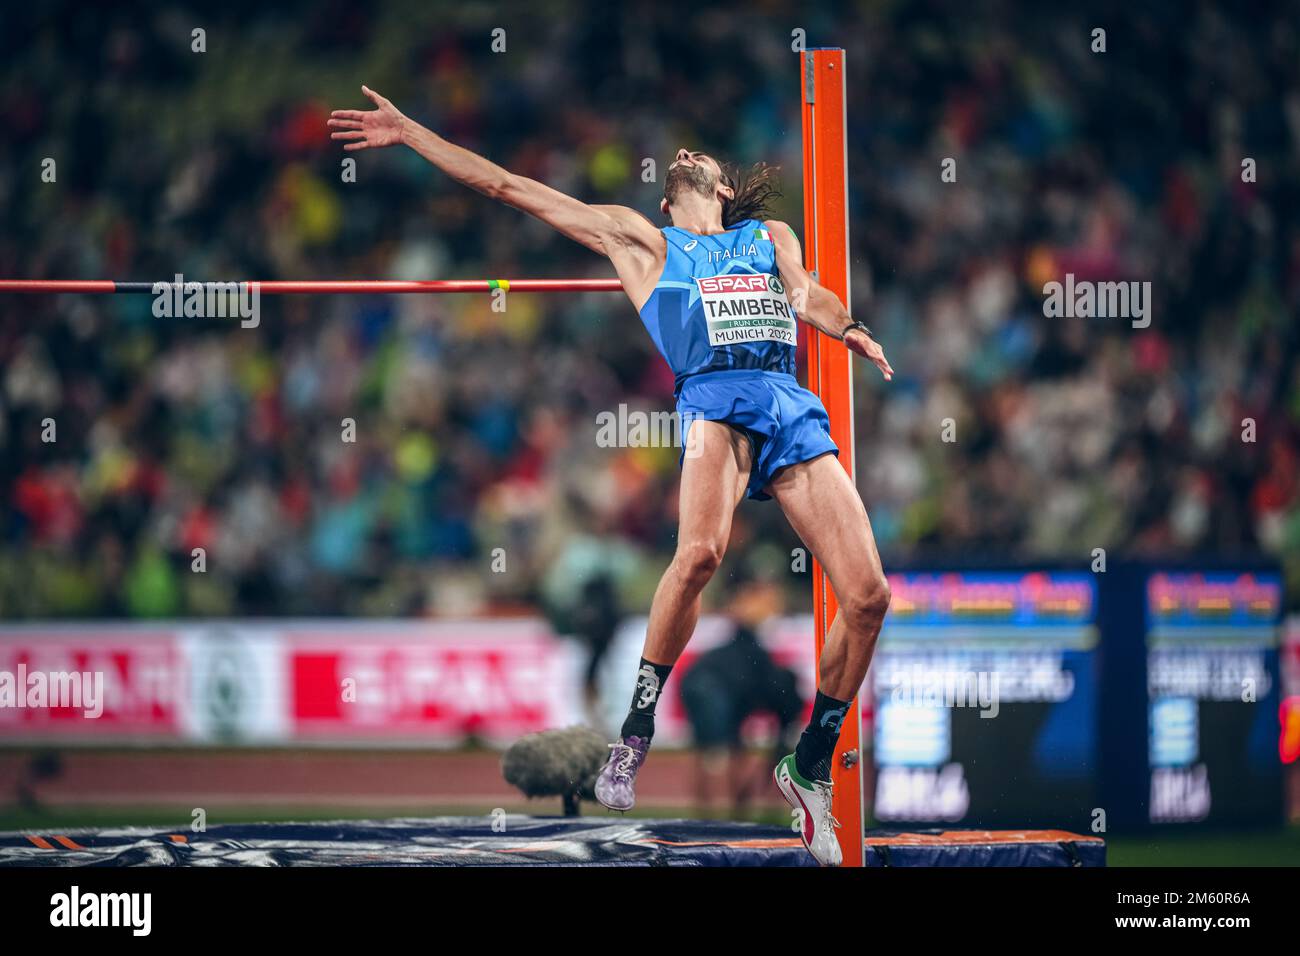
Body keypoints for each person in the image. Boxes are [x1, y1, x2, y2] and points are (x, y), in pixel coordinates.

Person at [329, 86, 894, 865]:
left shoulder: (768, 234)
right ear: (668, 199)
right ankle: (635, 733)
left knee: (869, 595)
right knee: (699, 554)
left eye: (704, 156)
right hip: (713, 404)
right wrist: (412, 133)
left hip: (787, 401)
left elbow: (806, 294)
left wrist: (850, 327)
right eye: (681, 161)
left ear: (723, 188)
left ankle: (809, 767)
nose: (691, 154)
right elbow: (508, 187)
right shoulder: (643, 241)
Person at [678, 564, 802, 814]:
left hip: (706, 681)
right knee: (717, 753)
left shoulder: (747, 645)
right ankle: (721, 812)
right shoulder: (748, 625)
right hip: (712, 686)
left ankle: (713, 814)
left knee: (713, 751)